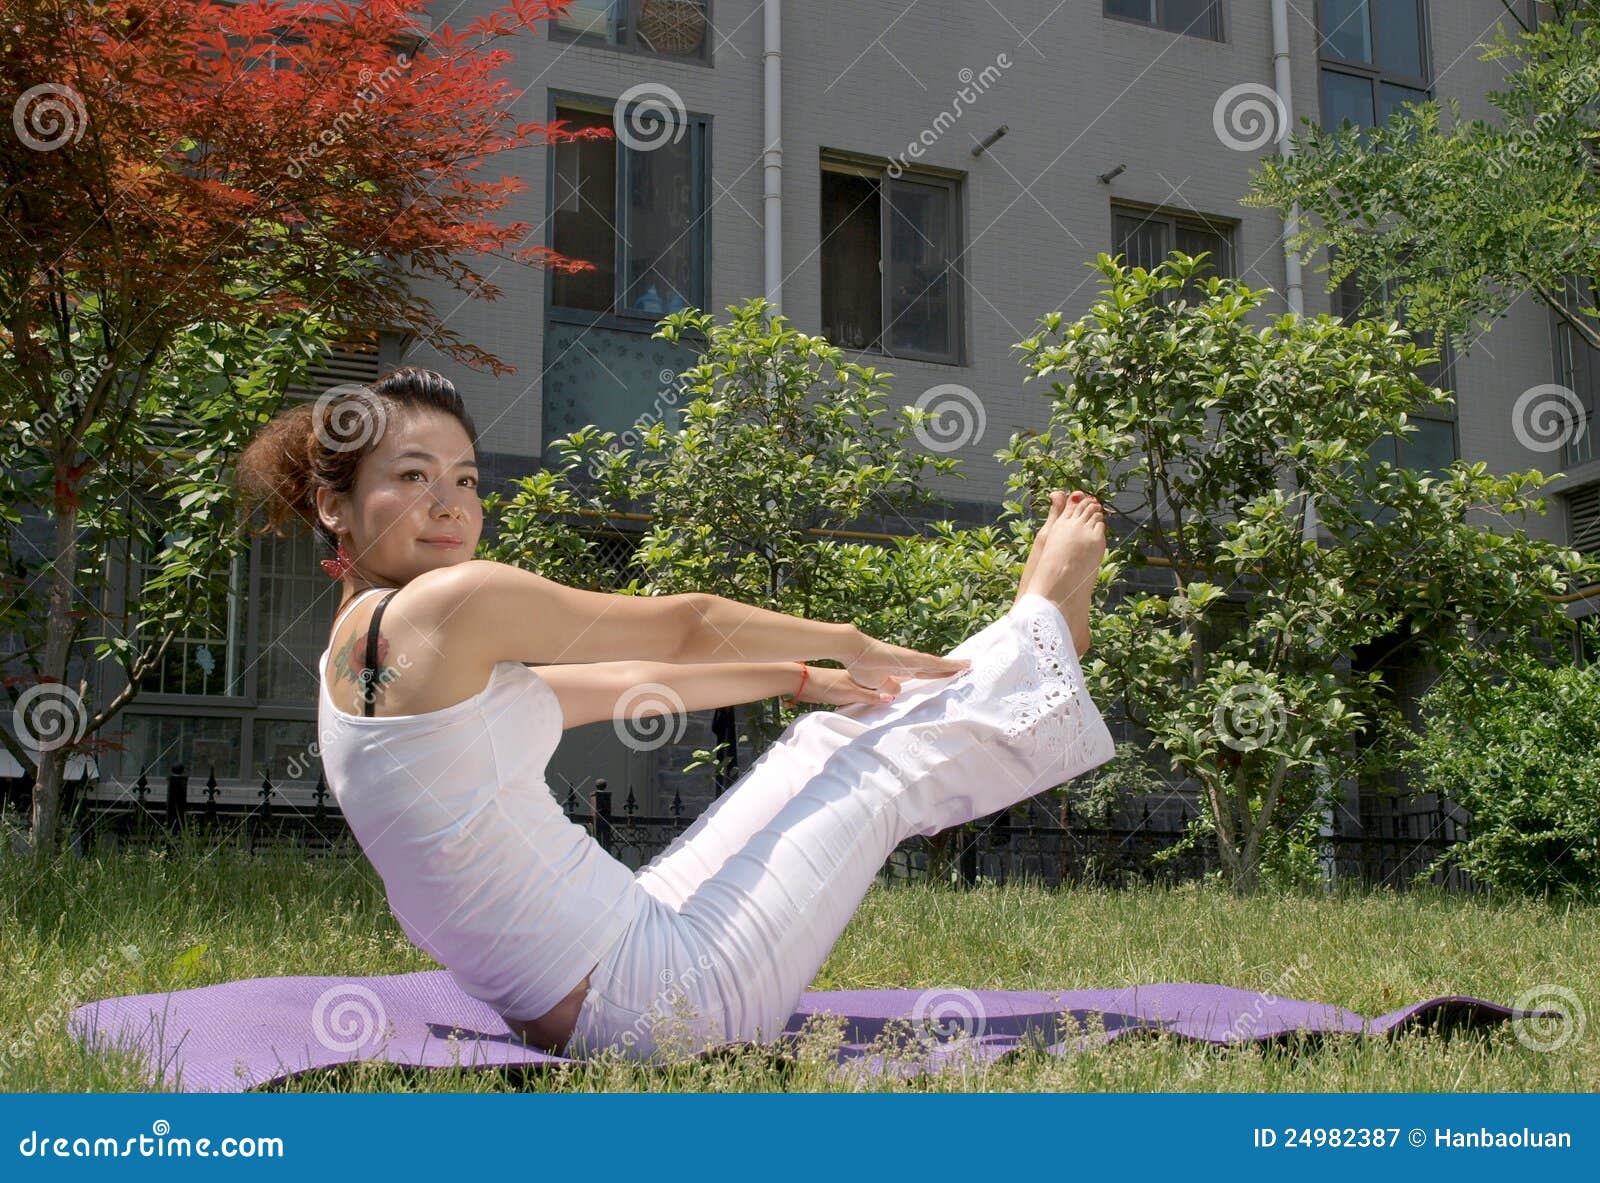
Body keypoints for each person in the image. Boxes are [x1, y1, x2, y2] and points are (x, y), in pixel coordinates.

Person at [234, 366, 1115, 1063]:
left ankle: (1028, 650)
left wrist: (797, 677)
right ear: (332, 505)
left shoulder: (359, 652)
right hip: (666, 1004)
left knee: (828, 733)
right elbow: (685, 624)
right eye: (412, 476)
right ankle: (1041, 627)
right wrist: (849, 637)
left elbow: (619, 686)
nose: (451, 503)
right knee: (875, 770)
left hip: (622, 959)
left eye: (465, 477)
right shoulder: (448, 605)